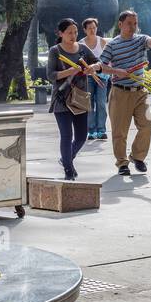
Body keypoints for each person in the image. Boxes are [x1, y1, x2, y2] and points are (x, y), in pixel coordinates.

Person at [98, 10, 151, 177]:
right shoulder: (112, 45)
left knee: (148, 125)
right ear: (120, 24)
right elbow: (101, 66)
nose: (133, 27)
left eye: (135, 23)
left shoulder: (140, 39)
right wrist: (116, 70)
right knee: (119, 132)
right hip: (120, 92)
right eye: (129, 23)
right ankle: (122, 163)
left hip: (141, 92)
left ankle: (137, 157)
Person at [49, 18, 100, 180]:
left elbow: (97, 62)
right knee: (66, 136)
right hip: (62, 98)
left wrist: (91, 68)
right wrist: (69, 71)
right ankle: (68, 171)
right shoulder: (55, 51)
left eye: (75, 32)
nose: (73, 35)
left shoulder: (83, 49)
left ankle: (66, 160)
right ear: (61, 33)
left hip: (80, 98)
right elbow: (50, 75)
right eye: (69, 32)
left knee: (81, 136)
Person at [81, 17, 109, 140]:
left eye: (94, 28)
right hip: (88, 77)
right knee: (89, 104)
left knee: (101, 103)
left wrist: (105, 71)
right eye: (89, 28)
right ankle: (91, 131)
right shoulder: (81, 43)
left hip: (102, 76)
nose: (92, 30)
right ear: (85, 30)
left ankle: (101, 130)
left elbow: (109, 59)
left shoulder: (102, 41)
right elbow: (80, 62)